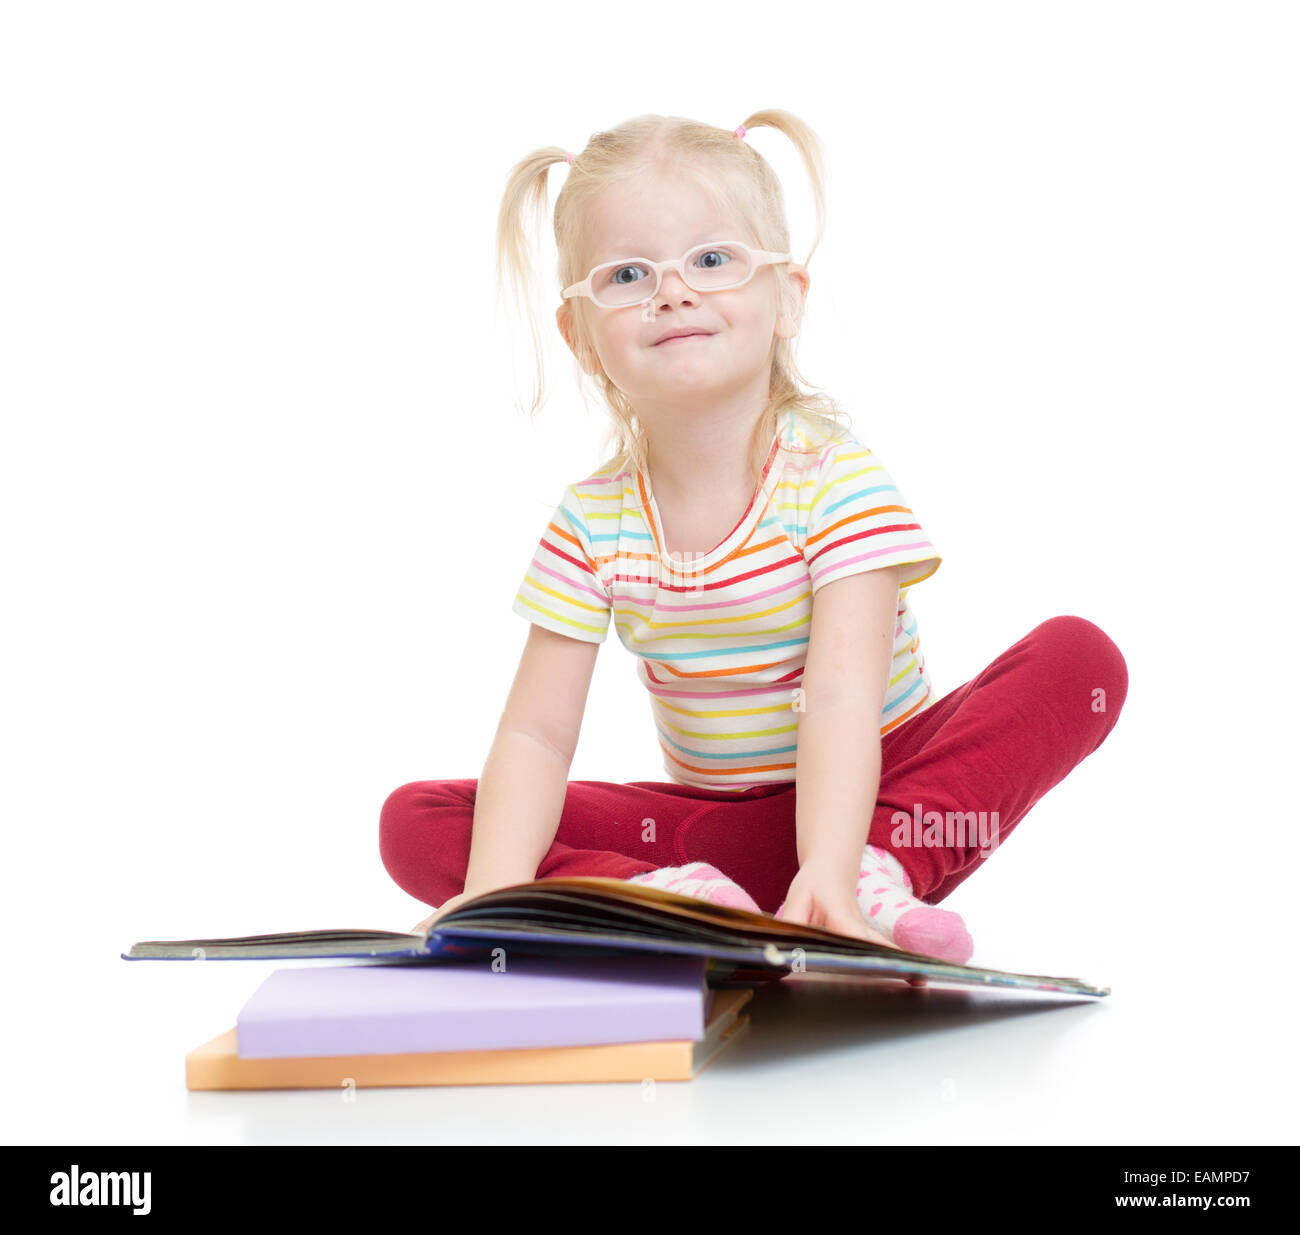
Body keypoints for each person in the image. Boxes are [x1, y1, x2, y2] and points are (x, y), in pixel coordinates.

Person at [378, 109, 1129, 966]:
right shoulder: (593, 522)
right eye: (626, 274)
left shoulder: (831, 481)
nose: (672, 291)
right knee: (418, 822)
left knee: (1081, 657)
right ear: (580, 335)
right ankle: (669, 900)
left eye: (710, 260)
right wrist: (494, 894)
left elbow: (842, 700)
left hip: (881, 791)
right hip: (718, 839)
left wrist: (833, 866)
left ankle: (873, 884)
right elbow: (537, 738)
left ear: (786, 300)